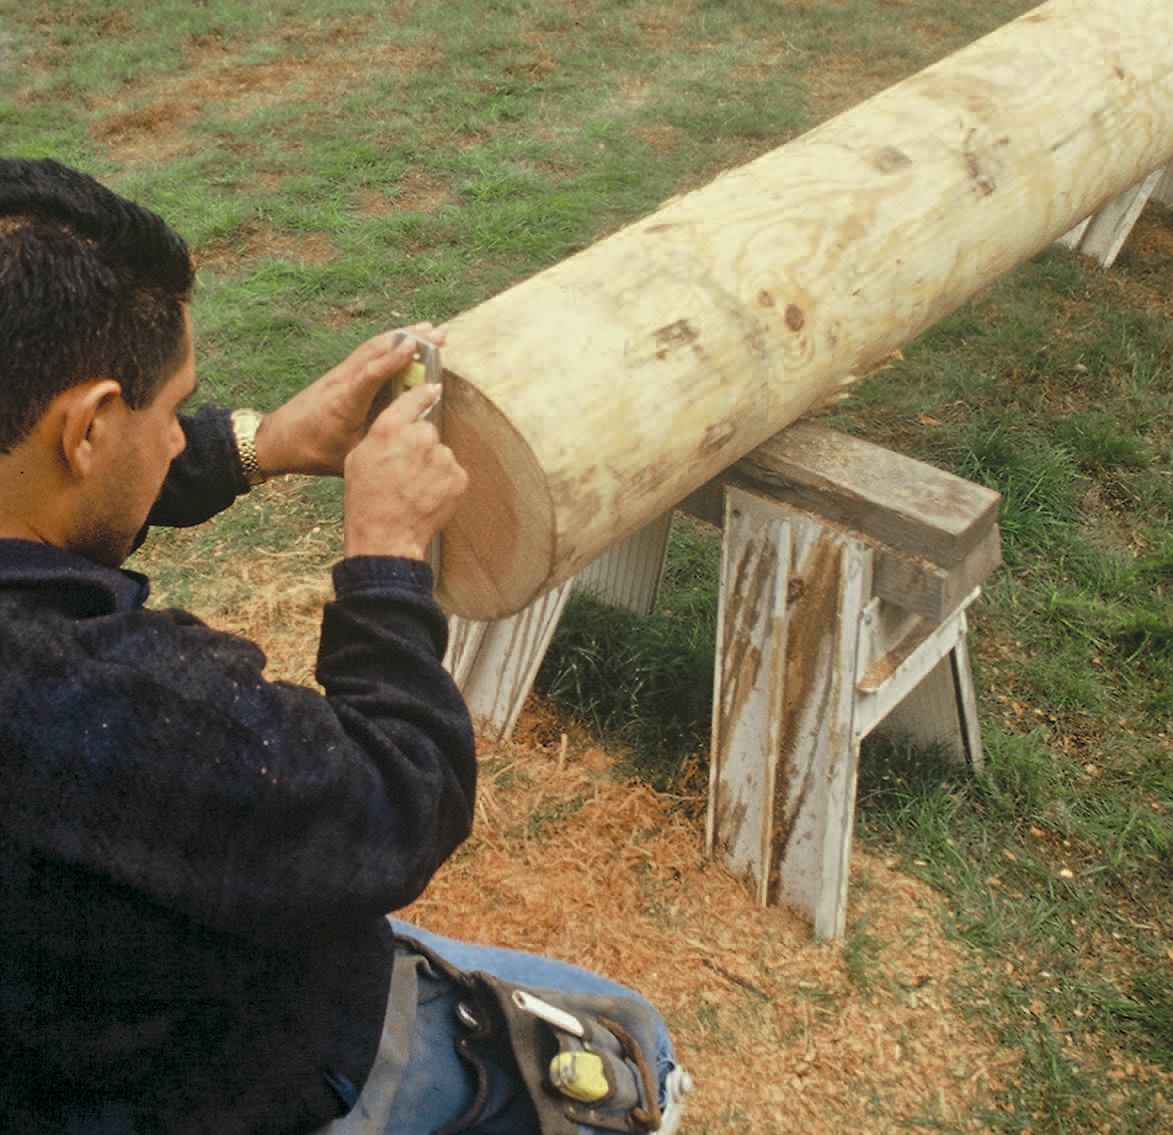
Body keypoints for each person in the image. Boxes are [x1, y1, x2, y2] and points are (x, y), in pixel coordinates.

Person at [0, 157, 688, 1134]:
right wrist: (386, 561)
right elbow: (396, 801)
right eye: (170, 412)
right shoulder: (81, 701)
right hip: (222, 1067)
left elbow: (53, 483)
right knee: (633, 1045)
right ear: (89, 428)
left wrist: (264, 442)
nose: (177, 438)